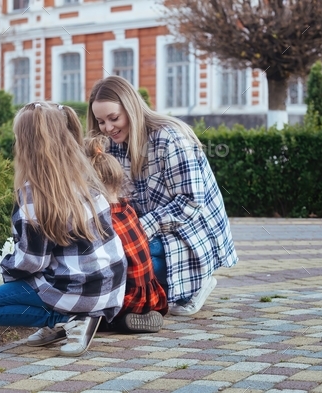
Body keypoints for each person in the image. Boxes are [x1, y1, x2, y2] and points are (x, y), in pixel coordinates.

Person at [0, 102, 127, 357]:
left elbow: (31, 263)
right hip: (111, 286)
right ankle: (70, 321)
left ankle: (68, 320)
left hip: (79, 291)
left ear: (26, 144)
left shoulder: (34, 196)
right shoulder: (86, 178)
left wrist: (5, 270)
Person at [87, 75, 238, 316]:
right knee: (112, 265)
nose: (107, 127)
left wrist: (136, 229)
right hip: (146, 230)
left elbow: (190, 203)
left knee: (127, 271)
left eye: (114, 118)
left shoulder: (170, 138)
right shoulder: (111, 144)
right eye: (101, 121)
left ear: (131, 108)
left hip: (190, 231)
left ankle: (196, 283)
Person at [84, 135, 168, 333]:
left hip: (125, 298)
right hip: (150, 295)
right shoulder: (127, 209)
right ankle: (141, 314)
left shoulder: (101, 221)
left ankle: (116, 322)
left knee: (83, 313)